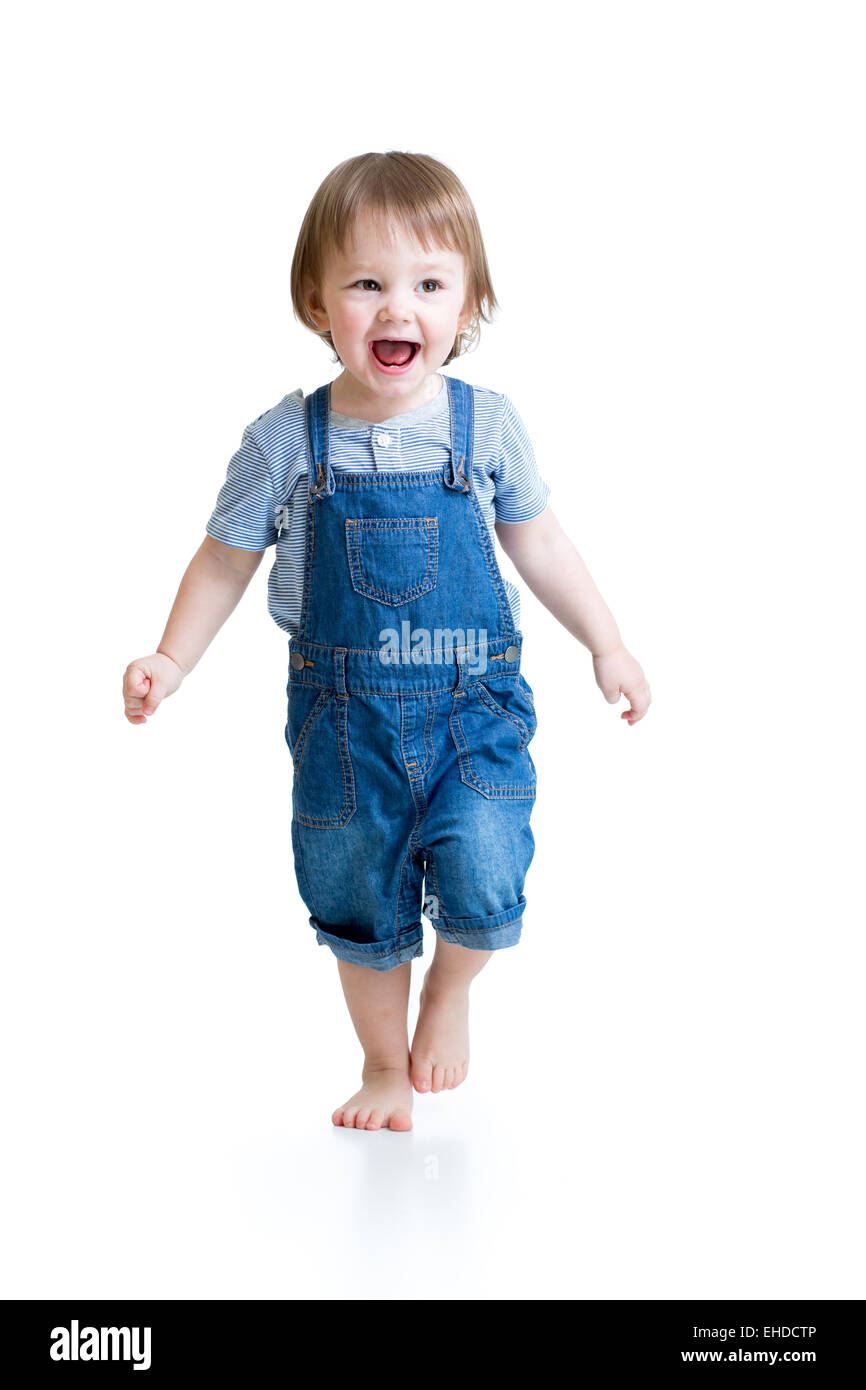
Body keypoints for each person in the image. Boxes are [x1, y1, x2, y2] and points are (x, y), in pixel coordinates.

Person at [122, 151, 651, 1133]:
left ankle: (449, 989)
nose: (396, 307)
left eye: (428, 284)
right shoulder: (288, 438)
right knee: (354, 893)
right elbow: (223, 559)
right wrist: (170, 657)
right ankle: (379, 1063)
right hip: (341, 718)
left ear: (467, 304)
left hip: (470, 706)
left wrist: (604, 642)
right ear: (317, 302)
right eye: (366, 283)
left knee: (488, 864)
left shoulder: (483, 428)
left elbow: (537, 539)